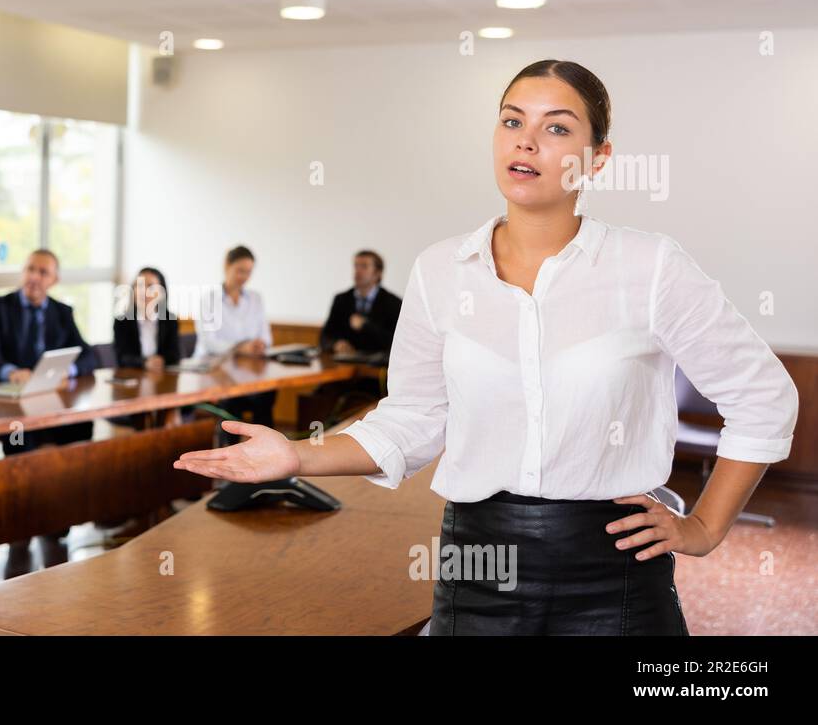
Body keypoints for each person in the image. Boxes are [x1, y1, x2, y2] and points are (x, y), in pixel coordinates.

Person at [174, 59, 799, 636]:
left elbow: (764, 397)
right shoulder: (441, 269)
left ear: (598, 157)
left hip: (614, 570)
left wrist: (705, 526)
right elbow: (415, 418)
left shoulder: (651, 265)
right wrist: (297, 458)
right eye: (511, 121)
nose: (526, 141)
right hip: (478, 565)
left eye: (557, 128)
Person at [0, 248, 96, 574]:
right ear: (22, 272)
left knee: (82, 430)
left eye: (43, 272)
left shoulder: (62, 312)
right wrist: (10, 371)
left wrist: (66, 372)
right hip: (10, 407)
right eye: (31, 269)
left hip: (49, 404)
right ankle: (22, 525)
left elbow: (89, 357)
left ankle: (56, 515)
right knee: (22, 448)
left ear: (54, 279)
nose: (35, 278)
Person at [194, 245, 275, 427]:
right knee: (230, 400)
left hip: (248, 370)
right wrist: (240, 347)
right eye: (240, 271)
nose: (244, 277)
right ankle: (227, 447)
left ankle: (266, 451)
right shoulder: (209, 299)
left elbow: (267, 338)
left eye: (248, 272)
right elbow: (209, 343)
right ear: (226, 266)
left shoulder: (256, 298)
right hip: (216, 371)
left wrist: (258, 345)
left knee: (267, 394)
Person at [320, 250, 403, 359]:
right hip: (344, 364)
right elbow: (325, 336)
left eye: (364, 266)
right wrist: (335, 344)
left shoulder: (393, 303)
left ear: (377, 273)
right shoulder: (341, 299)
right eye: (356, 266)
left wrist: (366, 326)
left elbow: (395, 342)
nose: (358, 271)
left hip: (377, 368)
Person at [113, 266, 181, 371]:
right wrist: (145, 362)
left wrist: (162, 360)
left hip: (163, 378)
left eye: (150, 286)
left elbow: (175, 354)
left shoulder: (170, 320)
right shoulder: (122, 321)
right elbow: (122, 358)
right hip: (134, 377)